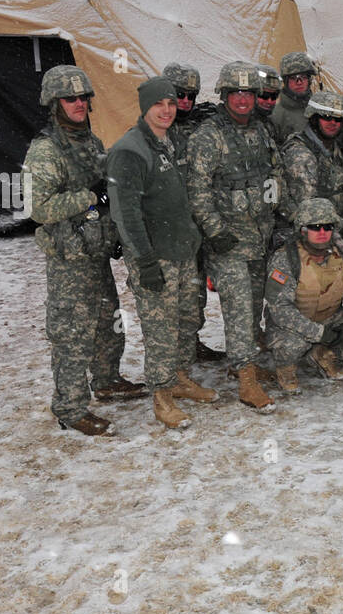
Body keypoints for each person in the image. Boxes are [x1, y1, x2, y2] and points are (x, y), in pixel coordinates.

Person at [25, 64, 145, 437]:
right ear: (54, 103)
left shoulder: (89, 142)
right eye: (70, 98)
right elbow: (38, 207)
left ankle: (107, 380)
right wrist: (90, 196)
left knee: (107, 324)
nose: (79, 104)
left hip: (94, 251)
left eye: (83, 97)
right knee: (72, 335)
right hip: (69, 260)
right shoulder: (46, 150)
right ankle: (70, 407)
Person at [108, 76, 217, 429]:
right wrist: (145, 261)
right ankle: (162, 396)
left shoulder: (166, 142)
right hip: (156, 258)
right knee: (161, 330)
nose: (167, 110)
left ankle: (180, 378)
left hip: (183, 253)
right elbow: (126, 215)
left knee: (186, 321)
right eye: (159, 104)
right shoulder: (130, 150)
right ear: (145, 107)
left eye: (171, 104)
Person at [186, 61, 285, 413]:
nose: (243, 100)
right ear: (225, 95)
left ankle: (240, 363)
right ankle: (246, 380)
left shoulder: (261, 131)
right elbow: (197, 190)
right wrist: (215, 231)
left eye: (248, 93)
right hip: (227, 241)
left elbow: (275, 170)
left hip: (258, 236)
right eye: (236, 93)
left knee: (255, 304)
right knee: (240, 309)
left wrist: (273, 205)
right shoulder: (208, 135)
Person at [264, 198, 343, 393]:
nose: (322, 233)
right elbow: (280, 310)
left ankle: (321, 353)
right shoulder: (285, 259)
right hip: (293, 325)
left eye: (328, 227)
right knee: (291, 345)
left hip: (329, 318)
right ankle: (285, 369)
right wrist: (319, 333)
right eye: (315, 227)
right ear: (303, 229)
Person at [163, 61, 225, 363]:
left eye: (191, 95)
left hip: (197, 225)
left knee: (195, 291)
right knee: (172, 296)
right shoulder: (154, 130)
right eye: (179, 95)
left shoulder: (197, 126)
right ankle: (175, 356)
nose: (185, 102)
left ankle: (191, 341)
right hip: (169, 228)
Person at [280, 90, 343, 246]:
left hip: (330, 231)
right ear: (313, 118)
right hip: (310, 237)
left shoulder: (333, 147)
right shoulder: (301, 154)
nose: (333, 123)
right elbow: (308, 210)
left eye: (338, 119)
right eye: (326, 117)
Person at [270, 51, 318, 143]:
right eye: (293, 78)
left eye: (303, 77)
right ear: (285, 81)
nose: (299, 82)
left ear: (309, 80)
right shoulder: (276, 116)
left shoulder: (320, 109)